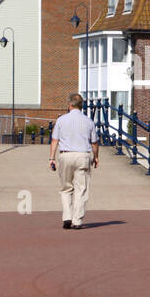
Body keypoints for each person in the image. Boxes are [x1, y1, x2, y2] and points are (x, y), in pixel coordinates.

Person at [49, 93, 99, 230]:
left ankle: (67, 217)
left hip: (65, 155)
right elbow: (94, 142)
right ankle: (77, 220)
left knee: (66, 188)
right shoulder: (89, 121)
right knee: (81, 189)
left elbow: (55, 140)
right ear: (81, 106)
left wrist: (52, 158)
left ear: (69, 104)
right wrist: (96, 157)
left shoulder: (61, 120)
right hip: (83, 155)